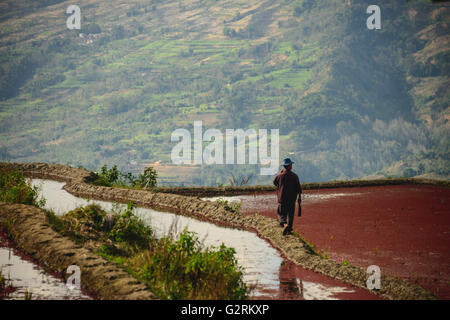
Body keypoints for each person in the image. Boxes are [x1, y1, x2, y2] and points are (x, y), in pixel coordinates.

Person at [273, 158, 302, 235]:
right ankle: (289, 229)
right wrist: (299, 198)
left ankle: (285, 225)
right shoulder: (295, 176)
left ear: (284, 166)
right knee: (290, 215)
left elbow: (275, 182)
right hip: (291, 200)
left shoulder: (280, 176)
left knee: (281, 214)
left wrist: (280, 174)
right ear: (290, 166)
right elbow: (299, 189)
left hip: (282, 199)